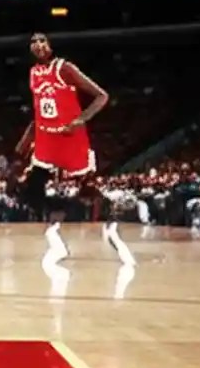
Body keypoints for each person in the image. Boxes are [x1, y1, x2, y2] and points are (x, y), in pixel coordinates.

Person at [15, 32, 134, 266]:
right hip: (47, 138)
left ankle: (112, 227)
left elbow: (102, 96)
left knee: (87, 191)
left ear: (50, 45)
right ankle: (55, 232)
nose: (39, 45)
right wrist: (24, 141)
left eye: (43, 41)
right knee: (30, 190)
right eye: (33, 42)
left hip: (70, 138)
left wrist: (81, 119)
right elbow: (39, 111)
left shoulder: (64, 68)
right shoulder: (33, 74)